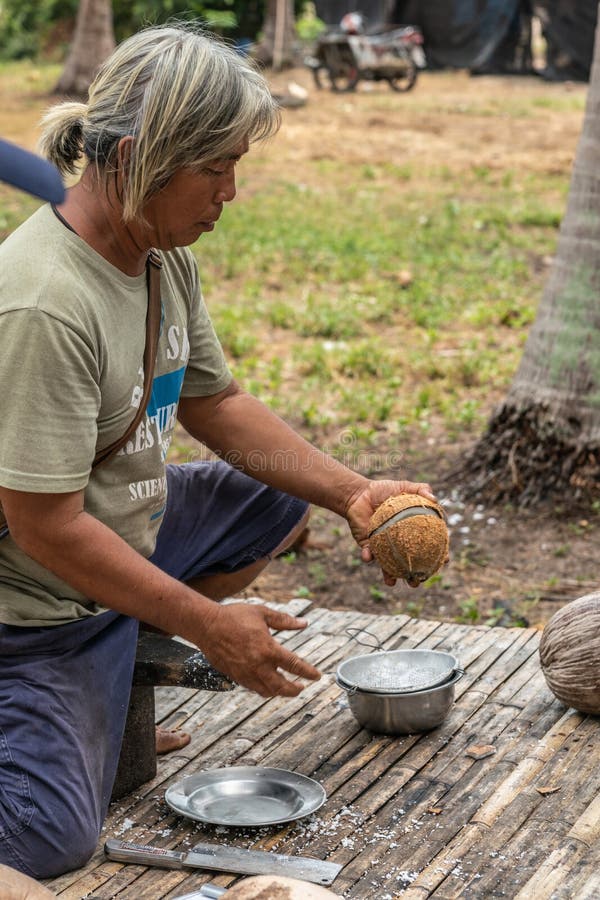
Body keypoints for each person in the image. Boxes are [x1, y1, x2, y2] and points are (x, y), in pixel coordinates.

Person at [0, 23, 435, 880]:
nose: (231, 192)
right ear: (133, 158)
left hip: (125, 530)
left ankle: (121, 659)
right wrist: (203, 624)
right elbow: (44, 527)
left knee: (276, 496)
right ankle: (85, 672)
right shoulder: (43, 304)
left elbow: (215, 402)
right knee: (48, 838)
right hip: (35, 601)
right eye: (216, 167)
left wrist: (354, 494)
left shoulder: (157, 253)